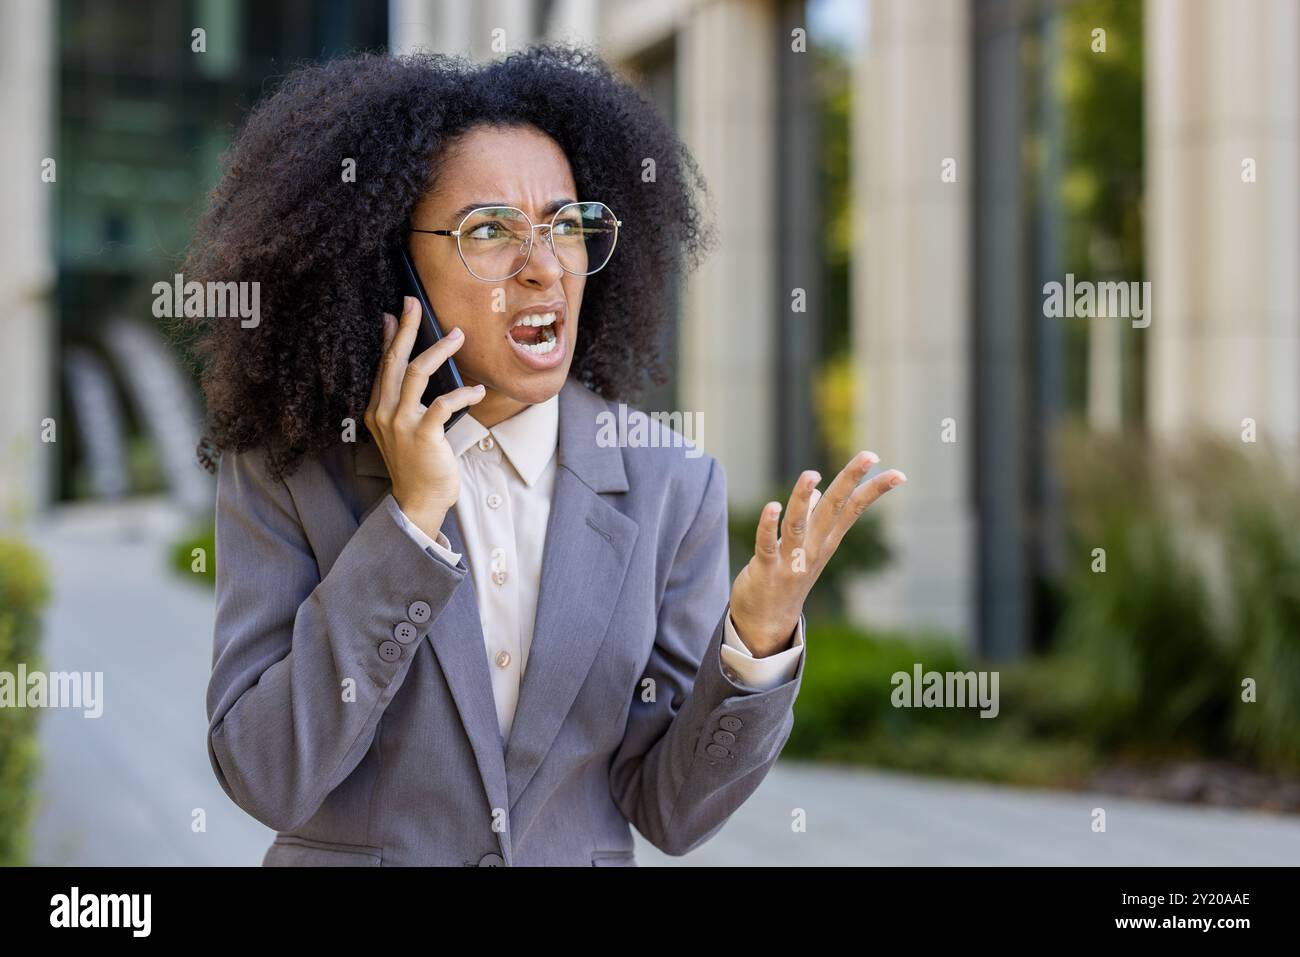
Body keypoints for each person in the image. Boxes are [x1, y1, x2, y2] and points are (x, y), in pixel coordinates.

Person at [186, 45, 906, 866]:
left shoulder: (670, 486)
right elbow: (264, 773)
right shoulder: (289, 470)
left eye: (566, 225)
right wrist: (409, 525)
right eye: (490, 231)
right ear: (390, 262)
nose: (543, 269)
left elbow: (672, 811)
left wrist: (759, 637)